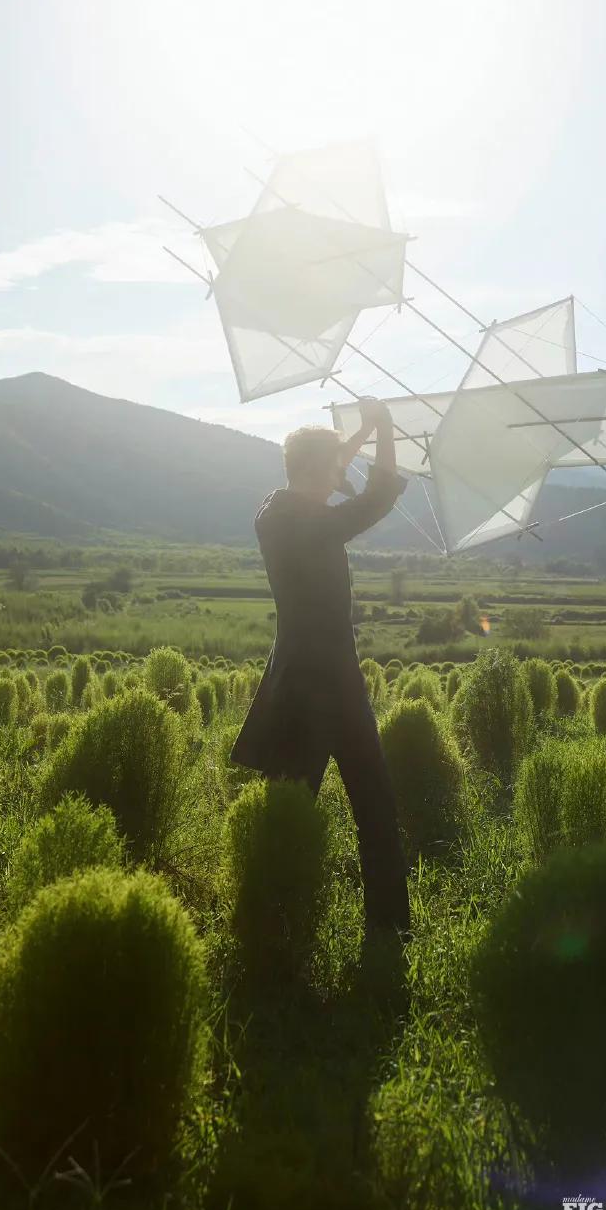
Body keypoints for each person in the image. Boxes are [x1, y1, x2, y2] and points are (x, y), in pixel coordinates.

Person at [232, 398, 410, 942]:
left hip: (301, 682)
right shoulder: (311, 524)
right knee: (371, 810)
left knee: (293, 812)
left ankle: (271, 928)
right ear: (319, 470)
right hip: (327, 685)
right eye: (337, 466)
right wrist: (384, 429)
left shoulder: (277, 510)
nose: (342, 474)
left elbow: (321, 475)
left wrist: (357, 435)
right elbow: (378, 495)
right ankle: (384, 931)